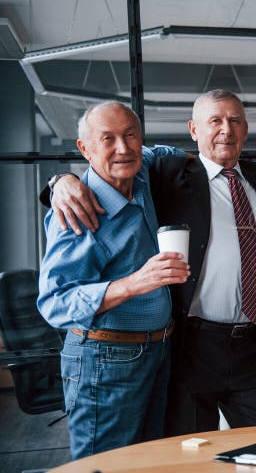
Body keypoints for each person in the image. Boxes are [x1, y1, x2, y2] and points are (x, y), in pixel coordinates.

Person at [48, 89, 256, 435]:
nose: (226, 129)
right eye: (215, 121)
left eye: (234, 120)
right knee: (190, 457)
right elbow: (114, 160)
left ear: (246, 129)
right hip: (190, 350)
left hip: (251, 348)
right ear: (194, 130)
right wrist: (62, 181)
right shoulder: (167, 173)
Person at [38, 102, 190, 458]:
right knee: (104, 466)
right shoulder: (76, 214)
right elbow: (54, 302)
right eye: (108, 139)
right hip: (104, 361)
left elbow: (164, 152)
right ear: (85, 149)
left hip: (156, 352)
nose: (123, 148)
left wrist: (61, 177)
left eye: (131, 135)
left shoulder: (139, 174)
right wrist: (136, 282)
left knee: (148, 465)